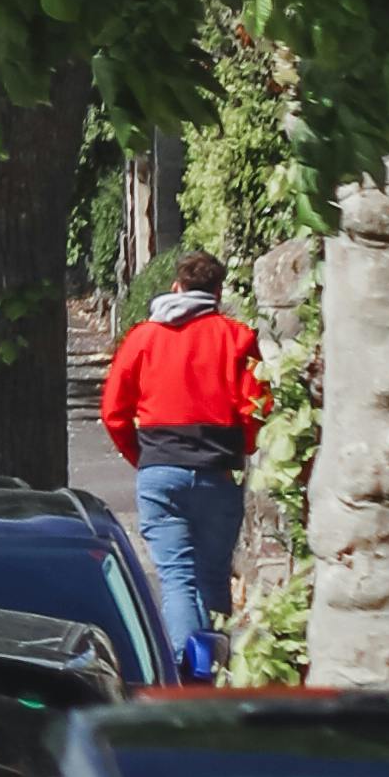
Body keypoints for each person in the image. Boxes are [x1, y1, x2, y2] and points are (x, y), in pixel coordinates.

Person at [99, 250, 274, 681]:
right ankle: (214, 673)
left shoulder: (143, 337)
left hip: (161, 469)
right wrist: (241, 448)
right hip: (218, 472)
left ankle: (185, 675)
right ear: (217, 292)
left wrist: (143, 458)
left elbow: (113, 412)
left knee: (178, 578)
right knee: (214, 576)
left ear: (176, 287)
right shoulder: (237, 337)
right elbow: (258, 407)